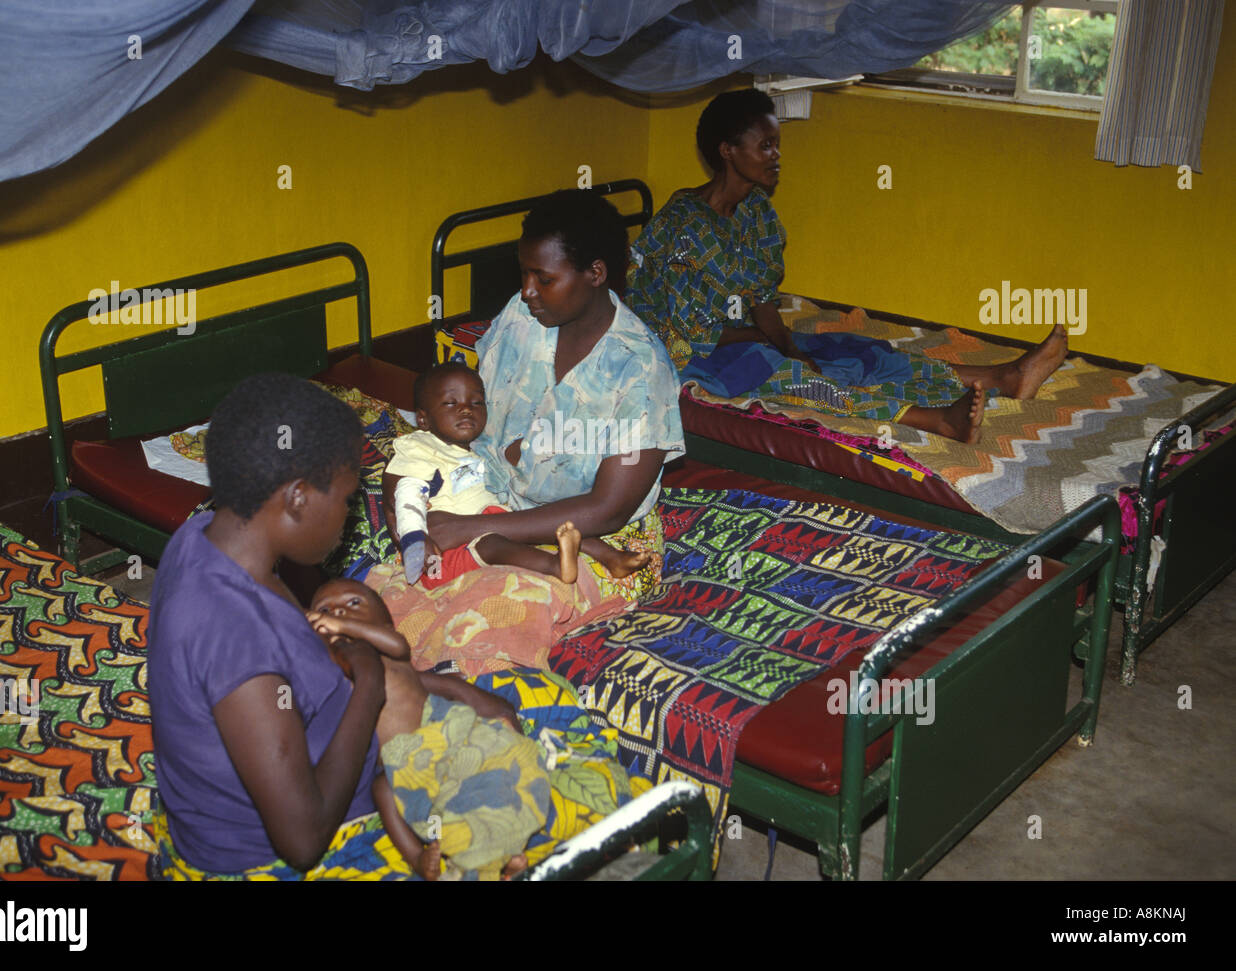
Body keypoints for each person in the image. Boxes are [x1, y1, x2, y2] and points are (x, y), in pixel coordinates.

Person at [146, 372, 515, 879]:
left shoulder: (202, 537)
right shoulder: (235, 637)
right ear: (297, 498)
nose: (350, 519)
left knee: (504, 701)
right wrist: (367, 685)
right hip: (270, 852)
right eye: (345, 500)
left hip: (321, 748)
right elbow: (301, 839)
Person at [627, 87, 1069, 445]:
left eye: (777, 144)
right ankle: (936, 420)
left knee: (851, 349)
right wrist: (782, 351)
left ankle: (1000, 377)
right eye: (765, 145)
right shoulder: (683, 224)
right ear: (727, 151)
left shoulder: (755, 210)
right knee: (795, 376)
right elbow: (691, 331)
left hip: (736, 333)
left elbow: (761, 297)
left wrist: (788, 342)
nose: (777, 155)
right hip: (685, 353)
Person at [362, 188, 686, 676]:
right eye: (524, 273)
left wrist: (470, 528)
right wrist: (418, 502)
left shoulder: (639, 369)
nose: (527, 290)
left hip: (590, 537)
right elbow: (473, 419)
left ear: (595, 274)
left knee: (502, 605)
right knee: (375, 559)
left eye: (544, 278)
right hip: (485, 499)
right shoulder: (521, 317)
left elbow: (608, 508)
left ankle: (456, 691)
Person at [307, 577, 545, 880]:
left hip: (442, 733)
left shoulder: (391, 652)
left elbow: (400, 646)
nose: (337, 613)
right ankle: (418, 858)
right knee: (385, 792)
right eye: (325, 609)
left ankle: (504, 850)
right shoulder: (336, 670)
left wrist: (341, 627)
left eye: (353, 604)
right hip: (401, 764)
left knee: (481, 777)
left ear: (386, 625)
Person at [383, 360, 654, 588]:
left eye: (476, 402)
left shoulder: (476, 449)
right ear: (423, 419)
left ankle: (611, 557)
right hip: (442, 555)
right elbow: (399, 492)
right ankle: (555, 566)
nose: (466, 408)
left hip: (483, 520)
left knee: (546, 524)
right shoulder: (420, 447)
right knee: (492, 544)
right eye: (451, 403)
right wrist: (414, 537)